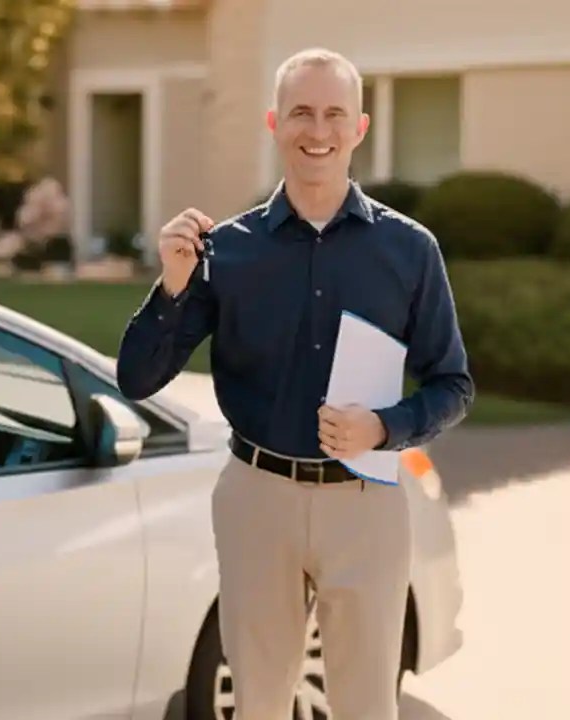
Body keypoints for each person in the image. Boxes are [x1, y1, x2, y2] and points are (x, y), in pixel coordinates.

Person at [115, 48, 474, 720]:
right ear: (275, 124)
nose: (319, 130)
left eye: (335, 113)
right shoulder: (227, 249)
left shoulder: (409, 249)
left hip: (365, 503)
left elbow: (452, 384)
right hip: (258, 499)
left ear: (359, 127)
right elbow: (138, 377)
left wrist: (384, 428)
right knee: (258, 704)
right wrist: (170, 285)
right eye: (302, 113)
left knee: (367, 706)